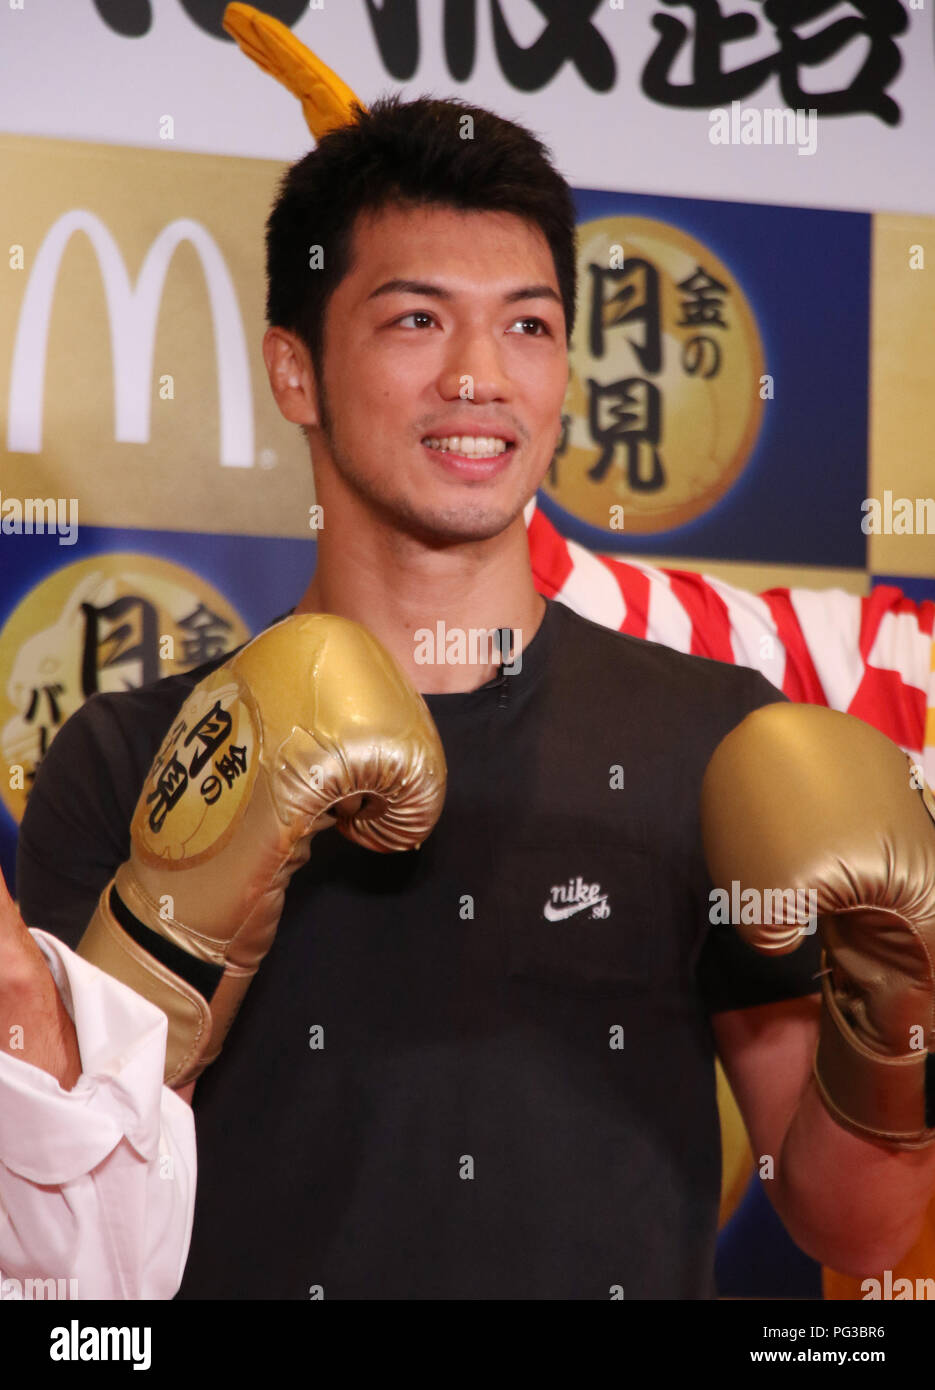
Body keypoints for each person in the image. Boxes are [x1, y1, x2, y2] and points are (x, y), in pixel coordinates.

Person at [4, 94, 935, 1300]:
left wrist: (895, 1007)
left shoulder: (714, 739)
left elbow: (847, 1227)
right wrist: (183, 928)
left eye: (528, 326)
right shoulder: (137, 751)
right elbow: (74, 1239)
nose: (478, 377)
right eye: (413, 319)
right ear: (295, 370)